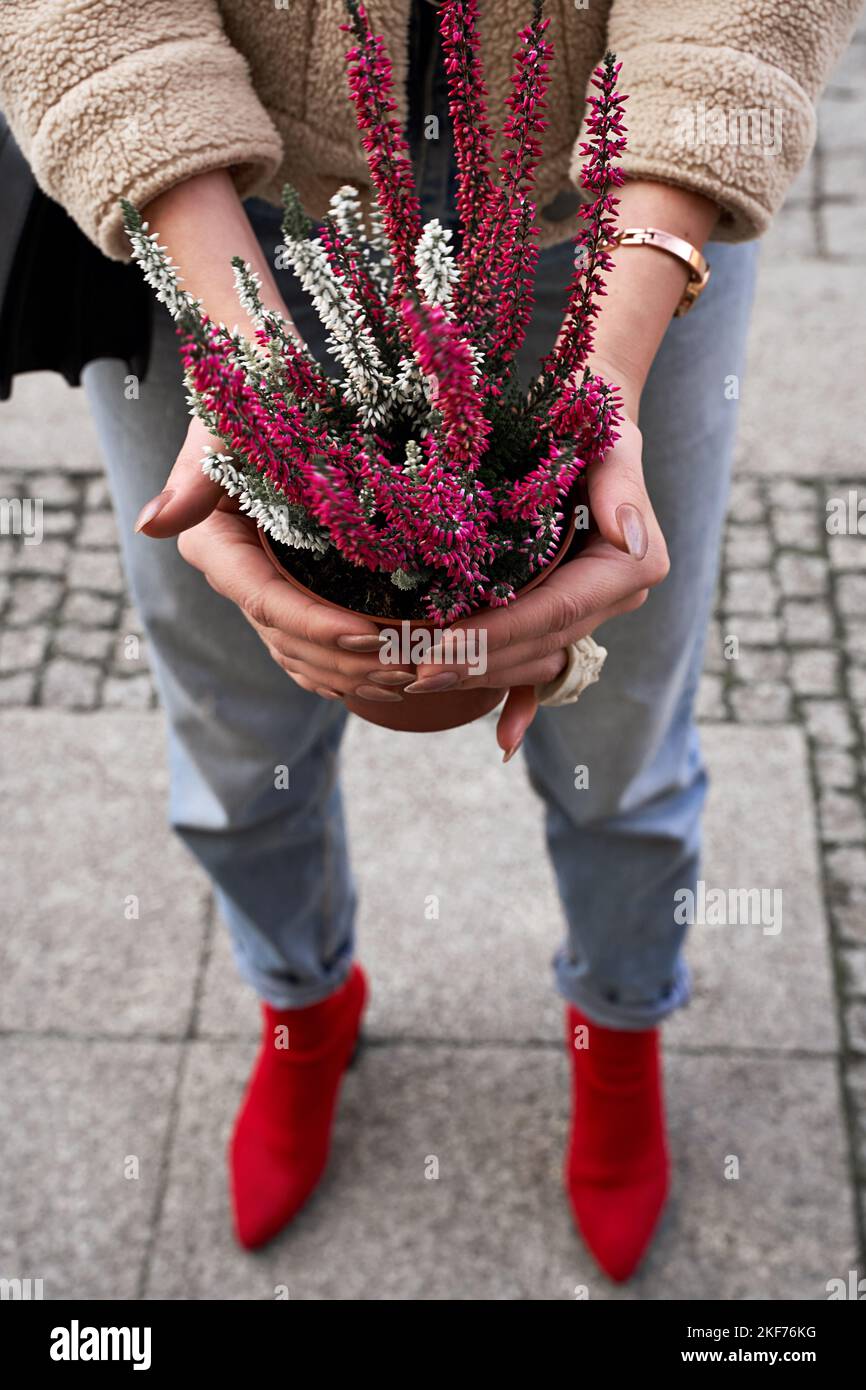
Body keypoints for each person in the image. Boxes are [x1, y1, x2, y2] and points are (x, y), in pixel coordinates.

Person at [0, 0, 858, 1283]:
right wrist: (243, 347)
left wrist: (609, 367)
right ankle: (301, 1002)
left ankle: (616, 1024)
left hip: (615, 201)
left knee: (618, 721)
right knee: (235, 720)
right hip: (211, 173)